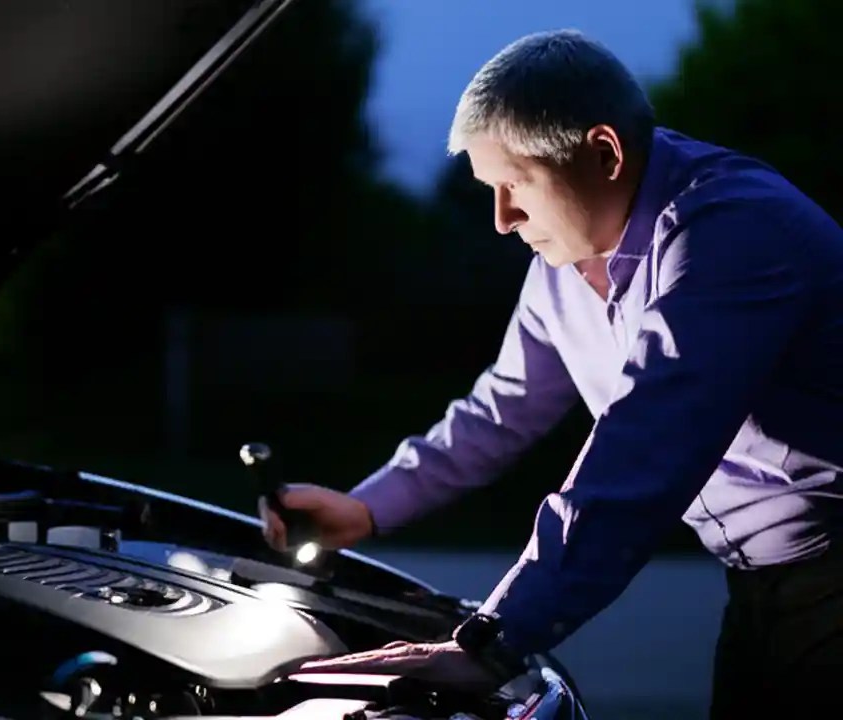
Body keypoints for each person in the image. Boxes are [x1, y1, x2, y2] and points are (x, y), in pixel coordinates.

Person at [260, 29, 843, 718]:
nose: (502, 220)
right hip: (760, 584)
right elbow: (502, 407)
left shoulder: (734, 230)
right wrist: (368, 505)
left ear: (604, 152)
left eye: (514, 186)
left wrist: (492, 642)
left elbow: (644, 449)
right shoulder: (560, 267)